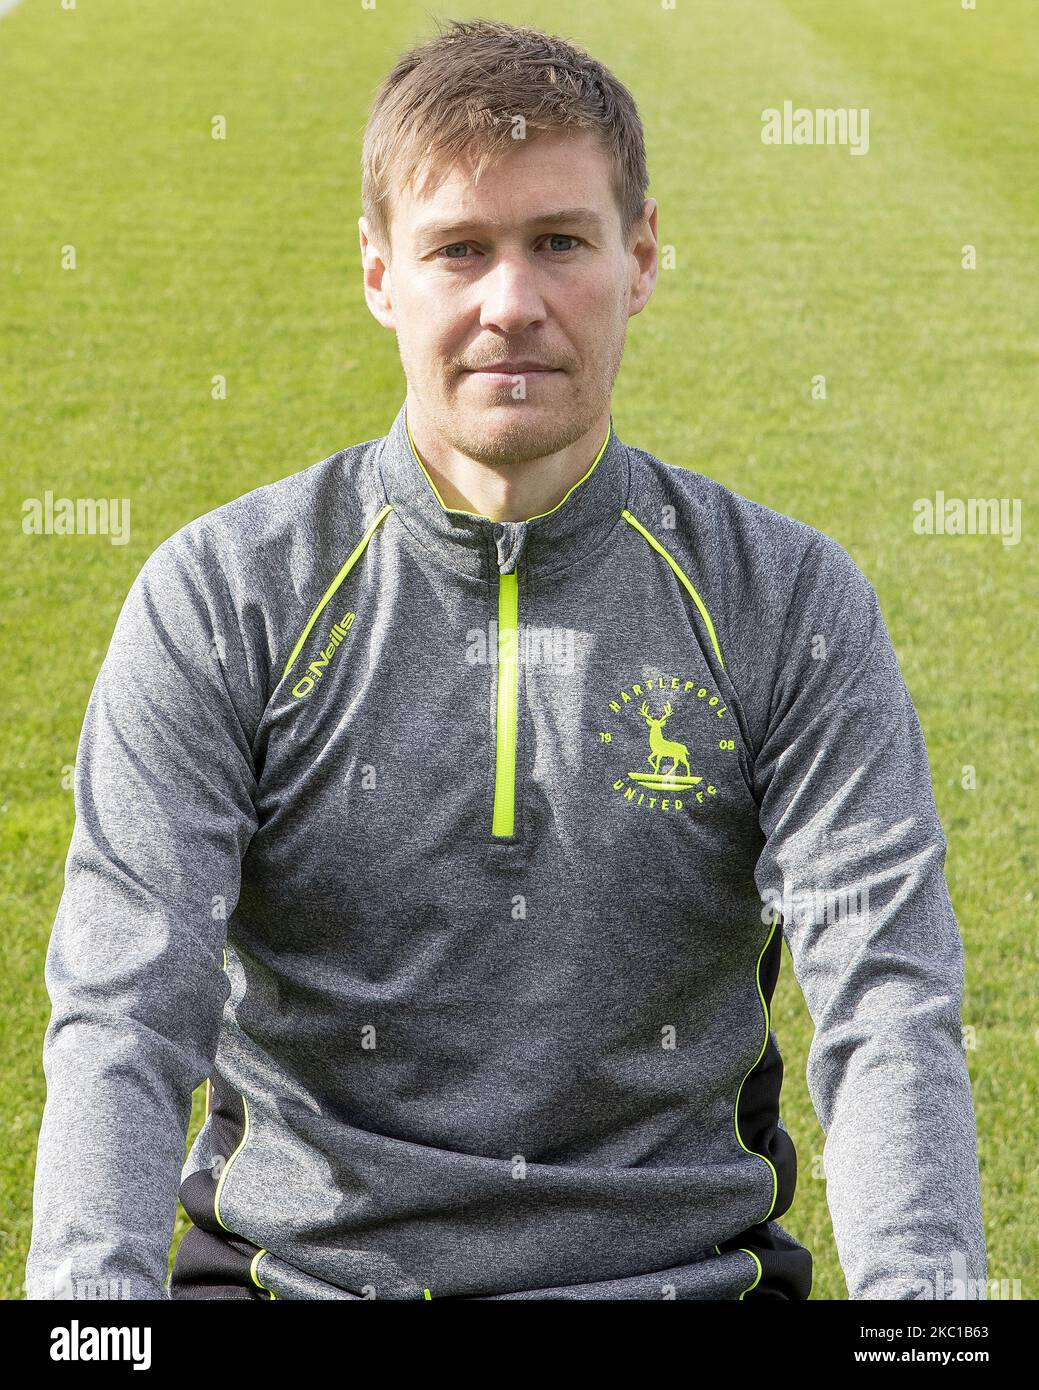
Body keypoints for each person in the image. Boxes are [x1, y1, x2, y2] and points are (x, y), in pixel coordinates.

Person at [25, 16, 986, 1301]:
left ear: (639, 258)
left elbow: (887, 1002)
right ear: (380, 275)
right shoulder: (222, 597)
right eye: (458, 250)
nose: (511, 303)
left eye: (559, 243)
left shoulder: (782, 598)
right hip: (295, 1280)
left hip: (674, 1280)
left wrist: (923, 1318)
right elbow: (125, 1012)